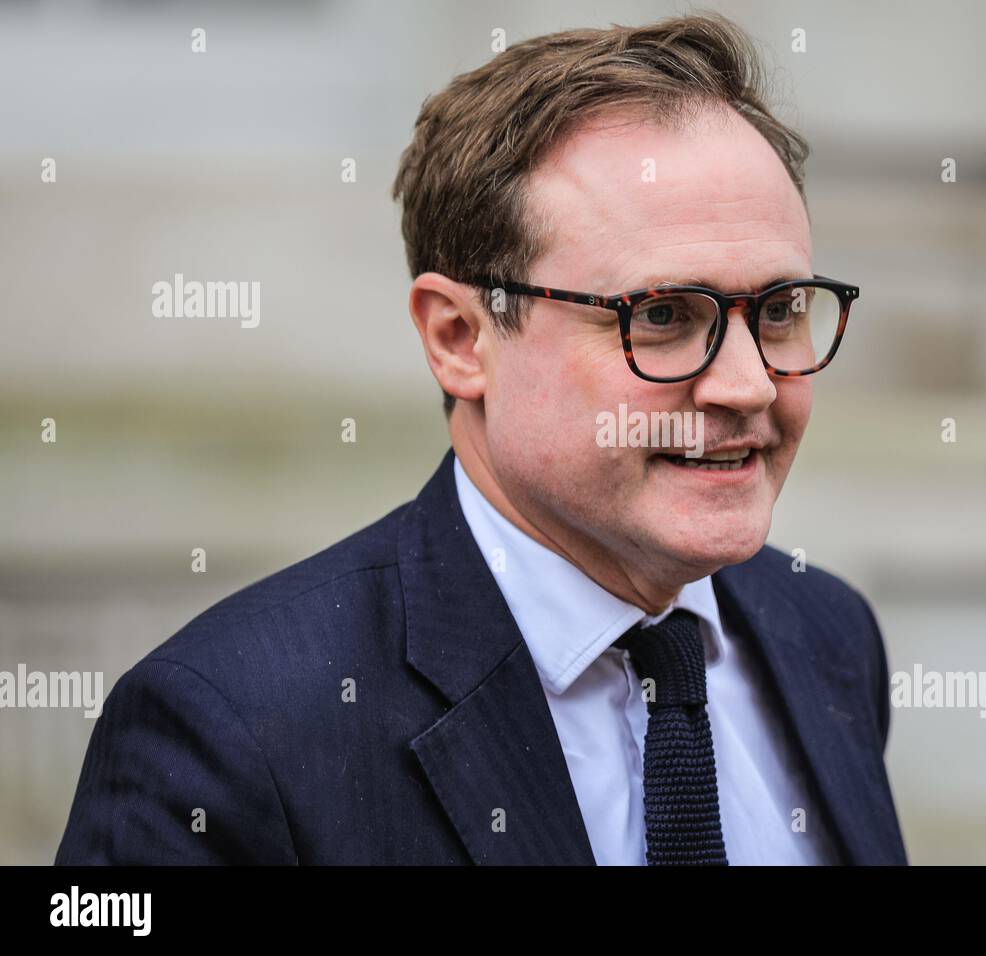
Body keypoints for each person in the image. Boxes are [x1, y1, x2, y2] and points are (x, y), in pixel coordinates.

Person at [55, 12, 906, 866]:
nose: (750, 384)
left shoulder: (824, 634)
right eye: (662, 316)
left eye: (781, 311)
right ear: (461, 337)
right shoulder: (233, 727)